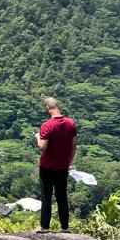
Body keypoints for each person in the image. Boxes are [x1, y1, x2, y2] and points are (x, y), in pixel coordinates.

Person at [34, 96, 77, 231]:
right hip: (63, 166)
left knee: (46, 196)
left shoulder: (47, 125)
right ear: (58, 106)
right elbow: (74, 146)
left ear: (47, 108)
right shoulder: (71, 124)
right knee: (62, 196)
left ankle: (45, 227)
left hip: (47, 167)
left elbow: (42, 147)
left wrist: (37, 137)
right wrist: (70, 161)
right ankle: (65, 227)